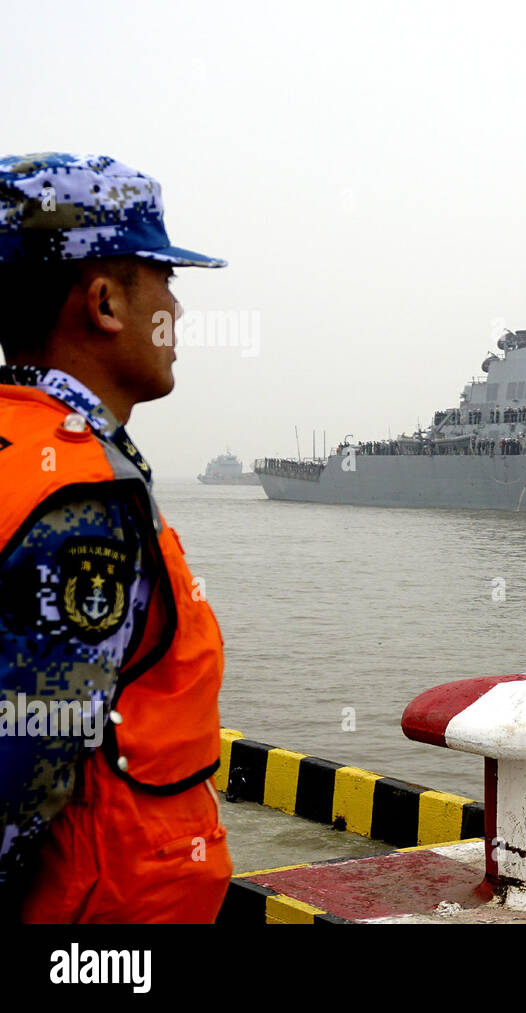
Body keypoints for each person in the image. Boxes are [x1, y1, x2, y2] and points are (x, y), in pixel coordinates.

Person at [0, 154, 232, 923]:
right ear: (104, 301)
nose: (178, 309)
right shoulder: (80, 501)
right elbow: (17, 779)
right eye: (164, 278)